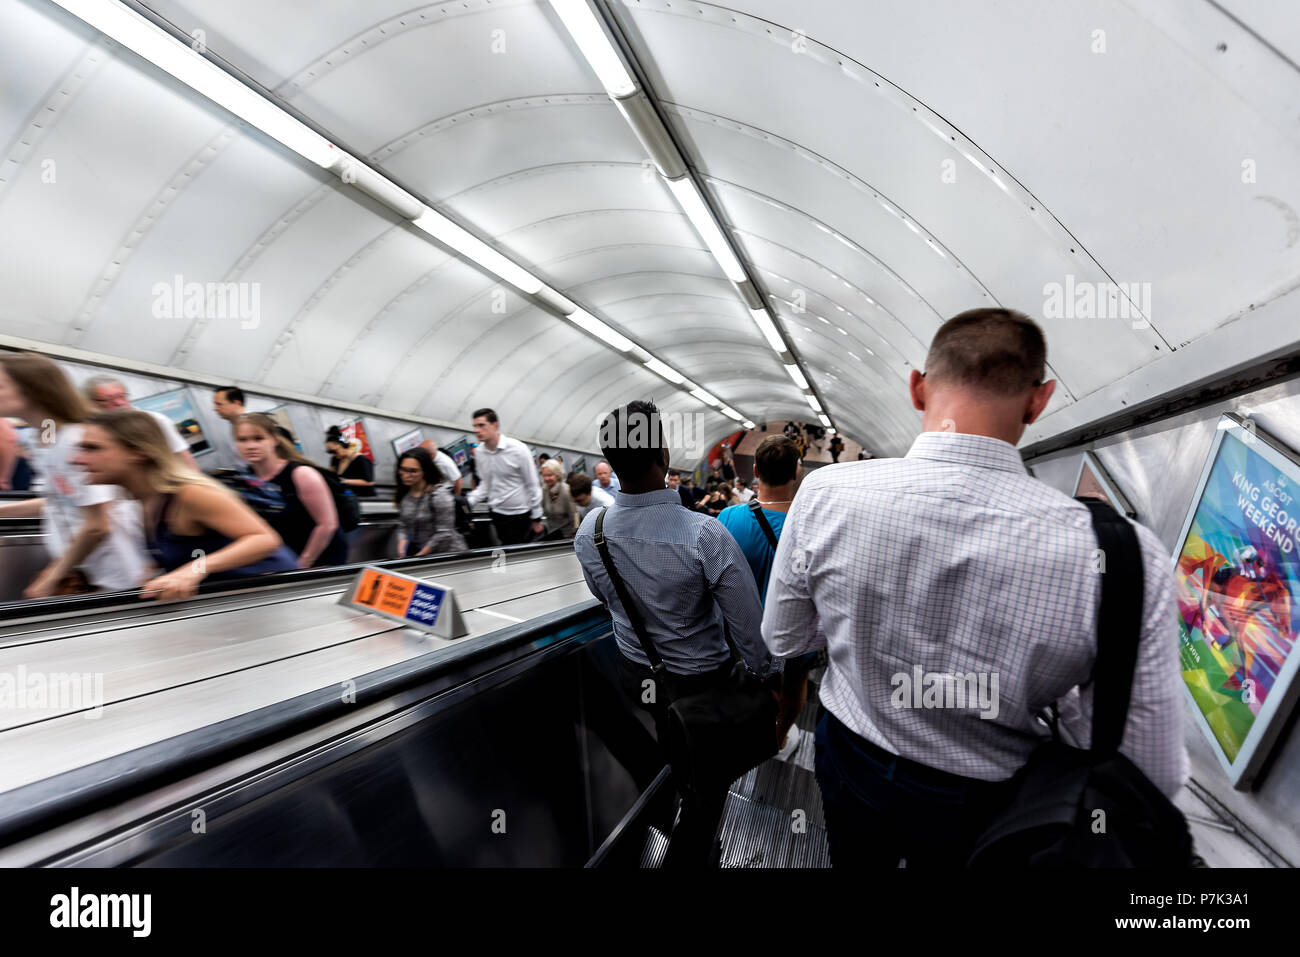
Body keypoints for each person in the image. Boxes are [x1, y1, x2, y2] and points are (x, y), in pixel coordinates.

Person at [762, 307, 1188, 868]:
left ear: (917, 389)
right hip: (997, 806)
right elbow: (1150, 767)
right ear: (1039, 401)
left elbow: (783, 640)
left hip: (853, 759)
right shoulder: (1118, 552)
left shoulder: (827, 495)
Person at [573, 399, 782, 868]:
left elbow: (603, 597)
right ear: (662, 457)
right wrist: (771, 676)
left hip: (636, 675)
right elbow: (750, 632)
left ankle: (676, 807)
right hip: (703, 686)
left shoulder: (591, 532)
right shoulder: (704, 535)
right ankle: (693, 849)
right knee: (706, 791)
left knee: (671, 752)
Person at [75, 410, 297, 599]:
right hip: (230, 602)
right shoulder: (146, 500)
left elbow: (264, 539)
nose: (77, 459)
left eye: (93, 448)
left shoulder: (190, 494)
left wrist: (194, 569)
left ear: (139, 451)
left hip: (274, 598)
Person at [0, 353, 147, 596]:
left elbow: (98, 525)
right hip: (82, 567)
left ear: (31, 390)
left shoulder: (78, 441)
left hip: (116, 573)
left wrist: (52, 576)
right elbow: (60, 499)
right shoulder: (42, 439)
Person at [717, 435, 808, 760]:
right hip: (792, 636)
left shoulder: (728, 518)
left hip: (740, 635)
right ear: (795, 473)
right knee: (794, 686)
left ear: (755, 470)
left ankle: (741, 733)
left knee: (741, 682)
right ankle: (777, 738)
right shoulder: (808, 525)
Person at [235, 413, 347, 568]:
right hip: (286, 558)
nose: (250, 446)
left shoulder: (301, 474)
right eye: (242, 440)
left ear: (274, 440)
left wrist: (303, 563)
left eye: (258, 439)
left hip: (321, 557)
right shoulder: (246, 479)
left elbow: (327, 524)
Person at [82, 374, 198, 470]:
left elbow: (183, 455)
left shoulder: (155, 420)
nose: (119, 403)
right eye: (109, 400)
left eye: (122, 396)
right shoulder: (93, 432)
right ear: (92, 403)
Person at [466, 408, 543, 545]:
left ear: (495, 425)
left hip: (520, 515)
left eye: (481, 425)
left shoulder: (518, 449)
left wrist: (537, 516)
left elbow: (532, 483)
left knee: (519, 554)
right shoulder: (479, 453)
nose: (477, 430)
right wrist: (469, 501)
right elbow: (485, 484)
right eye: (475, 426)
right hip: (497, 513)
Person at [393, 447, 467, 557]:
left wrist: (419, 556)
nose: (406, 475)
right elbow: (403, 525)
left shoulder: (439, 494)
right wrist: (401, 550)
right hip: (423, 554)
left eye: (413, 471)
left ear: (425, 471)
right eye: (403, 469)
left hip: (448, 555)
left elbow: (444, 533)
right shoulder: (406, 495)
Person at [324, 427, 375, 498]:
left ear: (342, 446)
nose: (332, 454)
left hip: (365, 498)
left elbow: (369, 482)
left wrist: (344, 481)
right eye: (329, 452)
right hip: (347, 497)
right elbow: (331, 474)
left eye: (333, 451)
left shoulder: (361, 459)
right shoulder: (335, 459)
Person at [540, 459, 578, 540]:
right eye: (544, 475)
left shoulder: (566, 491)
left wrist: (576, 533)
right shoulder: (544, 490)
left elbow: (575, 515)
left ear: (557, 475)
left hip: (567, 536)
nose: (546, 478)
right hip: (551, 533)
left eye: (550, 475)